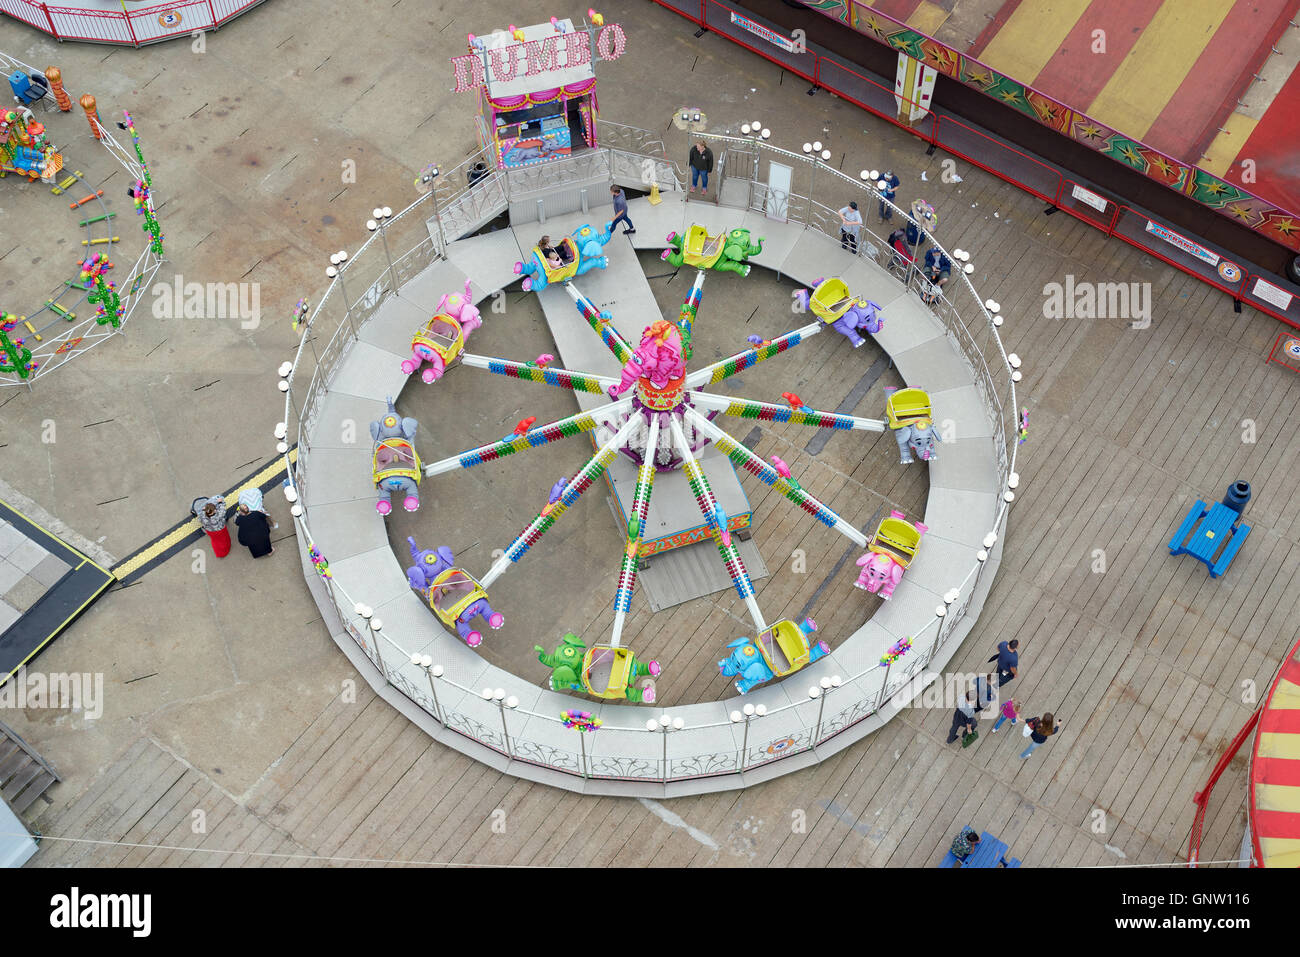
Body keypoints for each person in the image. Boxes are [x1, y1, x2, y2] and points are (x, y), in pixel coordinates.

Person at [235, 488, 274, 559]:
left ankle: (257, 555)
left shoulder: (240, 518)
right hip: (262, 534)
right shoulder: (256, 513)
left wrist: (238, 514)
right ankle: (269, 551)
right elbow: (264, 516)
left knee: (253, 547)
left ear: (241, 512)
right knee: (266, 542)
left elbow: (236, 523)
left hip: (249, 539)